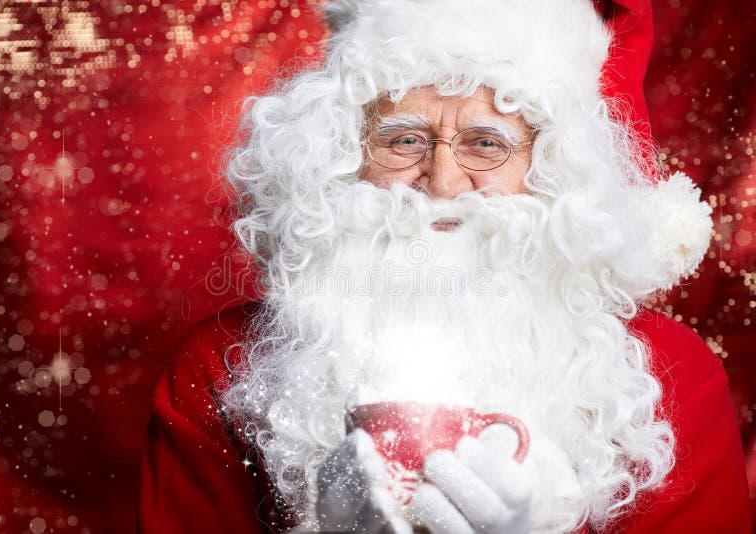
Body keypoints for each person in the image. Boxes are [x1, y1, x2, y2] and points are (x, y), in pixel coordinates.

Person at [139, 0, 752, 532]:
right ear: (340, 155)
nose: (442, 182)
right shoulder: (218, 371)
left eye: (486, 143)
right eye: (404, 140)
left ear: (555, 175)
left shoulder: (674, 379)